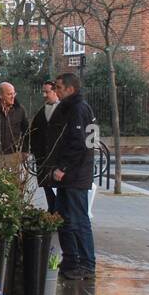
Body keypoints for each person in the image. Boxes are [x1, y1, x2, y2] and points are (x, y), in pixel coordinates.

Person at [44, 72, 96, 280]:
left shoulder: (76, 109)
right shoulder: (81, 108)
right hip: (77, 173)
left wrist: (62, 168)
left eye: (58, 87)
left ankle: (85, 263)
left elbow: (78, 143)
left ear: (70, 89)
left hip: (75, 175)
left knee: (77, 220)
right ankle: (73, 260)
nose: (55, 90)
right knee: (65, 218)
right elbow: (91, 140)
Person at [27, 79, 62, 213]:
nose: (45, 95)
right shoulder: (41, 112)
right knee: (46, 185)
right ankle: (52, 210)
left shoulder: (64, 110)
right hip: (42, 157)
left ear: (55, 91)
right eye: (43, 92)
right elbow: (33, 132)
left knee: (58, 187)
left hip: (57, 158)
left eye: (47, 92)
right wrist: (34, 150)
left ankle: (57, 212)